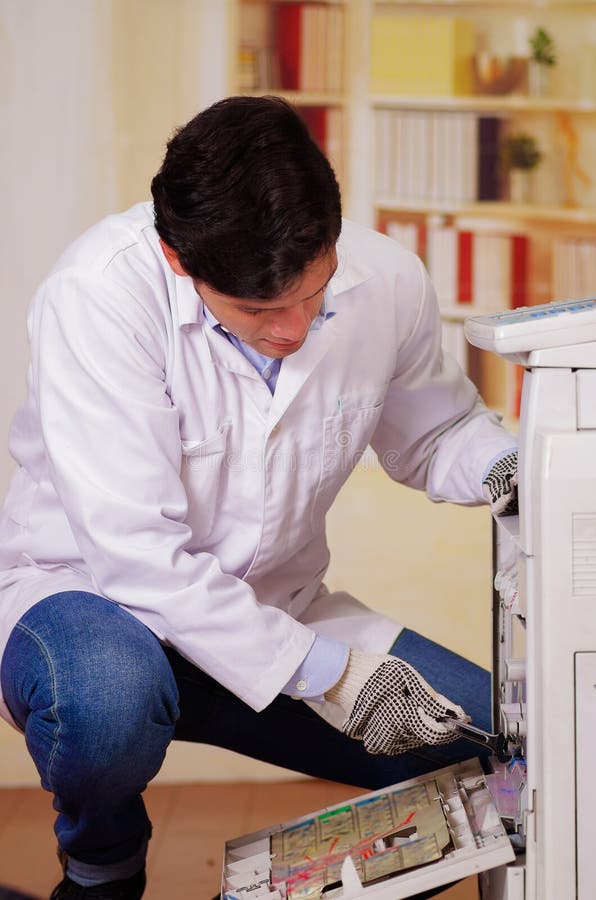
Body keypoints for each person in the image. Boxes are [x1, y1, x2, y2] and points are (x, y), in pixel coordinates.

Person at [0, 96, 518, 900]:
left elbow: (438, 433)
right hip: (92, 605)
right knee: (108, 698)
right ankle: (104, 868)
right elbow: (138, 557)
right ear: (179, 259)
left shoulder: (388, 281)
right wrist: (333, 678)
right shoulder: (98, 295)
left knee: (509, 755)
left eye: (315, 295)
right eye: (258, 311)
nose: (295, 331)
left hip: (276, 611)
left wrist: (512, 470)